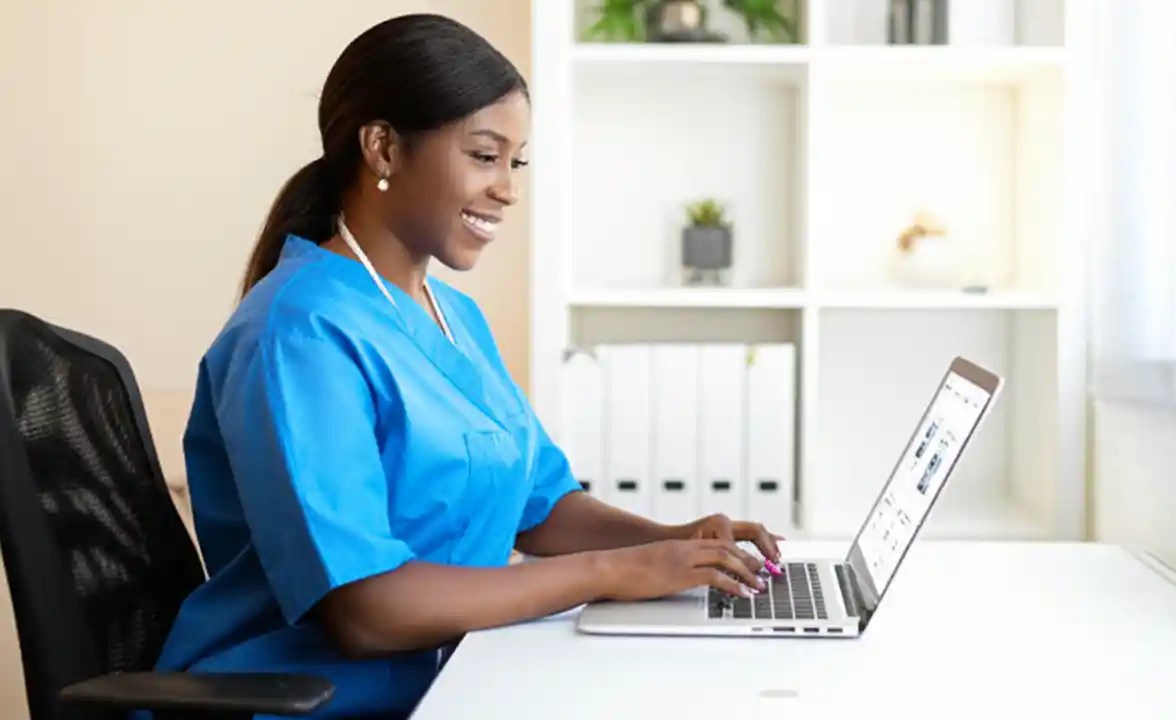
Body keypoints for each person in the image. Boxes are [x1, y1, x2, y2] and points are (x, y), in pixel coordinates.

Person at [155, 13, 784, 719]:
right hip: (313, 699)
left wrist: (676, 545)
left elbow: (541, 508)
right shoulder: (298, 332)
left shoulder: (452, 316)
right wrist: (615, 571)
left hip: (458, 675)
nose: (509, 190)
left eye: (516, 163)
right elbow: (369, 611)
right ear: (384, 147)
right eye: (485, 156)